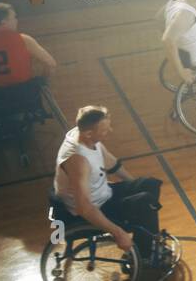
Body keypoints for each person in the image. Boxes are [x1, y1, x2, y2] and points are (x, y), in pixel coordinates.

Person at [53, 105, 168, 267]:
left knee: (150, 184)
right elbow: (84, 208)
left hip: (103, 192)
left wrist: (135, 185)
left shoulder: (84, 136)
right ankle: (144, 258)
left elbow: (111, 163)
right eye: (105, 130)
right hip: (94, 207)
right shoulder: (78, 160)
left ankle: (147, 239)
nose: (111, 131)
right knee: (144, 203)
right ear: (88, 133)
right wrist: (118, 232)